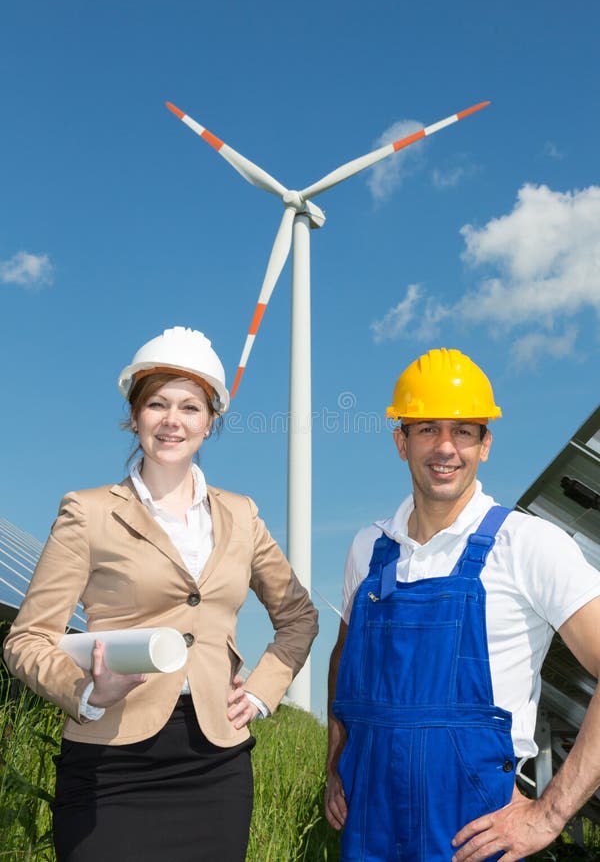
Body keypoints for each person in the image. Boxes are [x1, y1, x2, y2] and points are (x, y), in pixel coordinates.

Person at [4, 325, 318, 862]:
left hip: (216, 761)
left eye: (190, 408)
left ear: (210, 420)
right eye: (157, 404)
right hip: (111, 757)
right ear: (135, 416)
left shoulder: (242, 515)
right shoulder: (88, 512)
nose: (173, 421)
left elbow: (299, 616)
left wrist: (264, 690)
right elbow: (27, 639)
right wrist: (84, 691)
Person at [325, 347, 600, 862]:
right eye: (427, 428)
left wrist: (549, 815)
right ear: (400, 441)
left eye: (464, 431)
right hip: (367, 830)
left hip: (474, 839)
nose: (445, 447)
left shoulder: (527, 545)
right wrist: (334, 763)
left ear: (486, 444)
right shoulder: (367, 549)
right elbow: (345, 663)